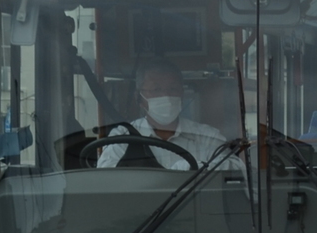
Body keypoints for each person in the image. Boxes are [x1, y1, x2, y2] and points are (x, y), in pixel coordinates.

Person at [95, 60, 229, 171]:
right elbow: (106, 180)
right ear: (138, 98)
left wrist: (193, 167)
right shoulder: (123, 138)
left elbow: (234, 168)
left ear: (182, 94)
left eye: (172, 89)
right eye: (156, 89)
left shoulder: (207, 136)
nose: (166, 95)